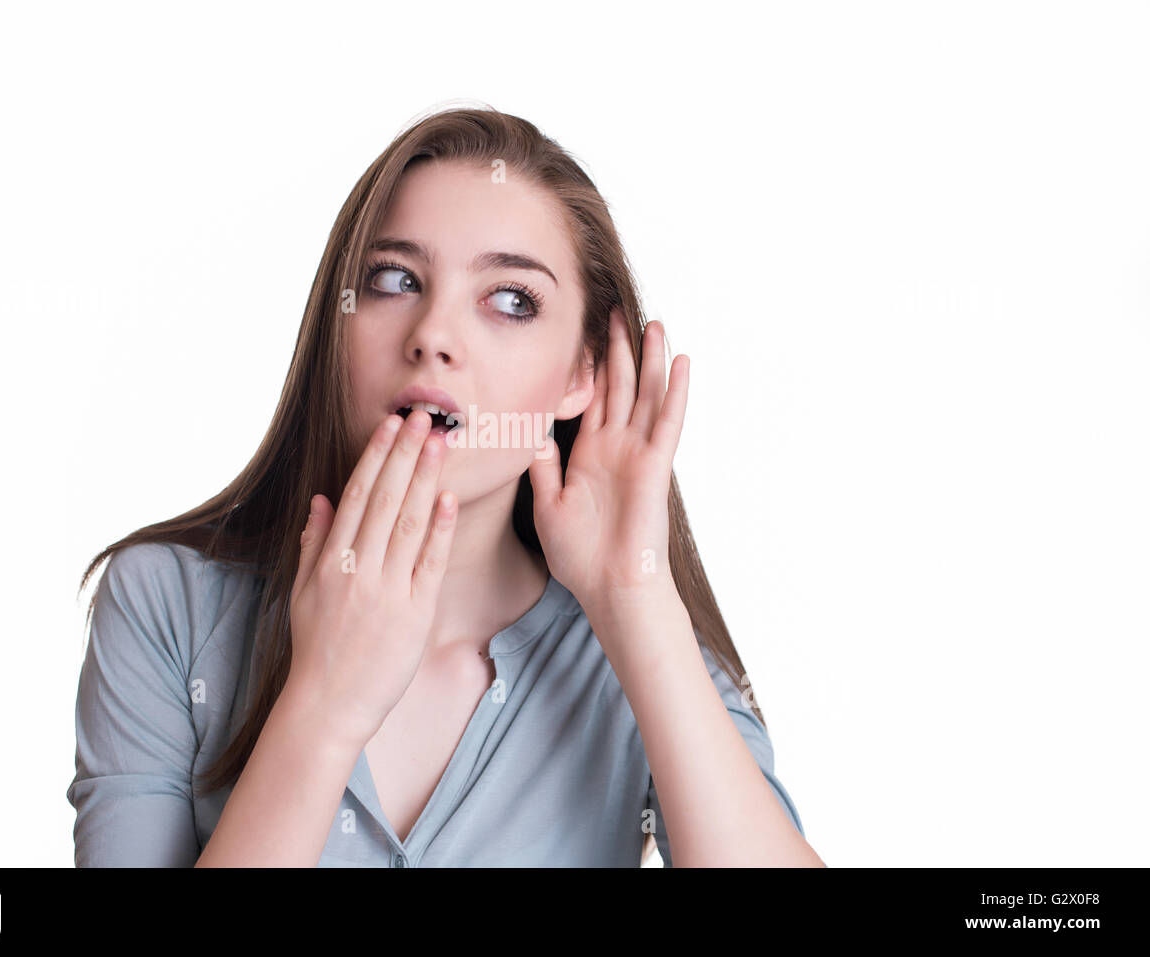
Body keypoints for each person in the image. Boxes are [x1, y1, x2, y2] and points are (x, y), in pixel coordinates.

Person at [67, 104, 824, 867]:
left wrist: (635, 598)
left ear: (582, 374)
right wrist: (323, 706)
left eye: (510, 300)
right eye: (395, 280)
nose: (432, 333)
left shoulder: (637, 645)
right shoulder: (165, 607)